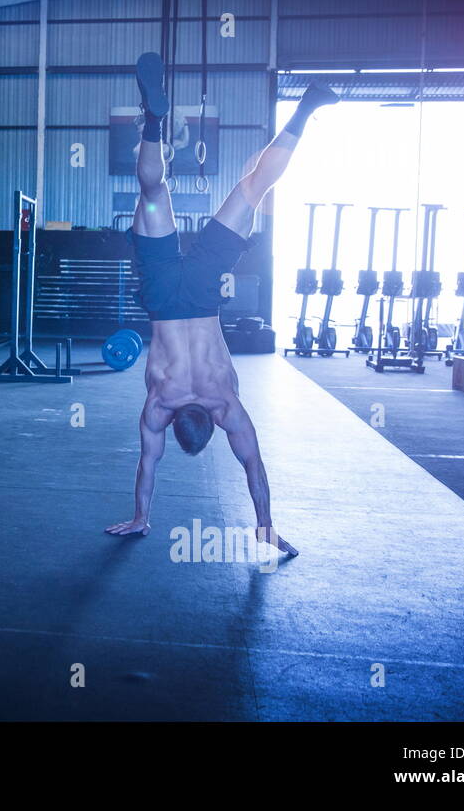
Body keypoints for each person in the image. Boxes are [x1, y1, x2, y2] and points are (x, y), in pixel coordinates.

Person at [105, 52, 339, 554]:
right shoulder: (158, 407)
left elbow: (254, 463)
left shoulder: (226, 405)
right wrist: (140, 516)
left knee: (252, 188)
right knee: (152, 191)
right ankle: (153, 121)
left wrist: (266, 525)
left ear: (211, 422)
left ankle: (308, 106)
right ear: (178, 423)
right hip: (165, 299)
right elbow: (149, 464)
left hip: (205, 294)